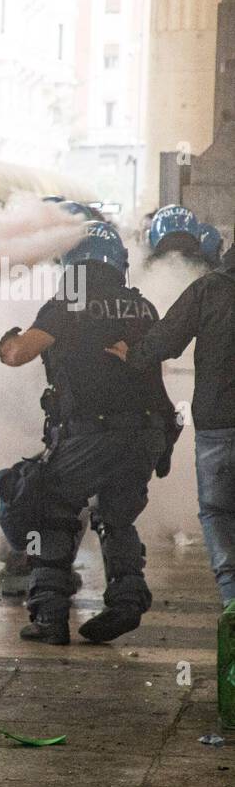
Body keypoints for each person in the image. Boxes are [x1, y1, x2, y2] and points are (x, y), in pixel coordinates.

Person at [0, 220, 176, 645]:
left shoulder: (68, 303)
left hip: (90, 433)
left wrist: (9, 338)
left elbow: (18, 355)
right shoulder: (142, 306)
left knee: (52, 511)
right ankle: (128, 601)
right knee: (117, 517)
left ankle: (50, 615)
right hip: (146, 431)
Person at [109, 234, 235, 614]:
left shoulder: (209, 290)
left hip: (217, 422)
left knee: (216, 511)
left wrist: (132, 356)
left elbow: (167, 340)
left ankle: (232, 597)